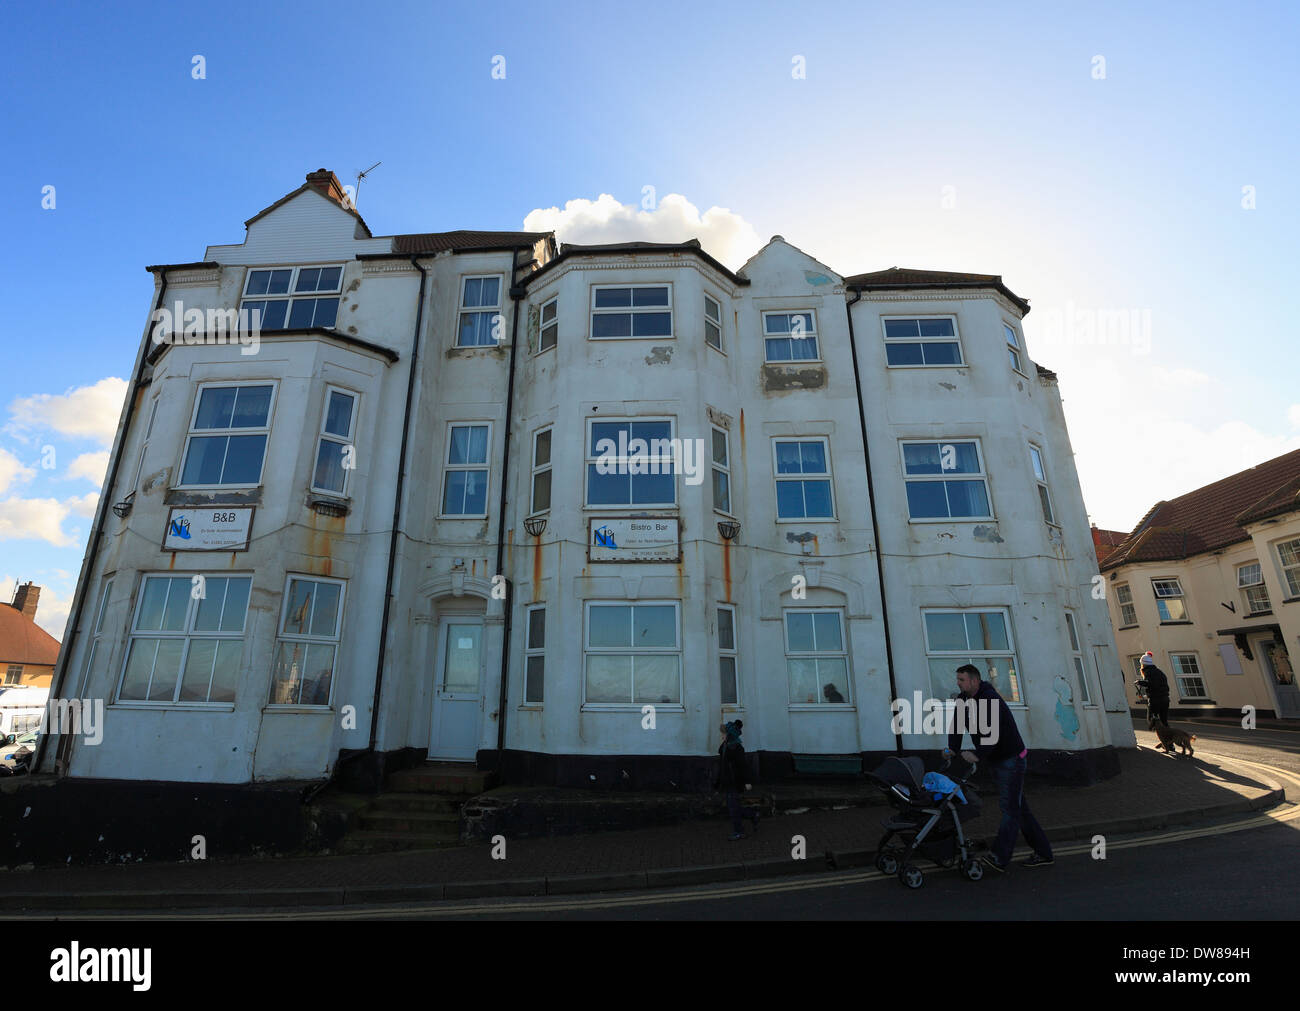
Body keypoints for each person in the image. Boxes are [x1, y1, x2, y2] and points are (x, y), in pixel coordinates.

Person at [944, 663, 1053, 872]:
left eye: (962, 680)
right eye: (957, 679)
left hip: (1012, 759)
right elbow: (956, 726)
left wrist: (977, 754)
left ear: (974, 681)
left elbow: (993, 734)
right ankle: (1044, 852)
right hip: (997, 759)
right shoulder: (962, 699)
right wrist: (952, 749)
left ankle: (999, 857)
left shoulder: (990, 699)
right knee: (1020, 809)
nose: (958, 683)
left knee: (1010, 809)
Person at [716, 720, 758, 840]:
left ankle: (739, 832)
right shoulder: (726, 746)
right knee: (733, 806)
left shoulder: (737, 748)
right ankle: (753, 814)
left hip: (735, 781)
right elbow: (723, 764)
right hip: (728, 781)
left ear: (730, 735)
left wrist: (747, 781)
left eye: (723, 733)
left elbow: (742, 766)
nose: (721, 735)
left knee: (733, 807)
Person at [1136, 652, 1171, 728]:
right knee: (1164, 721)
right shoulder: (1159, 672)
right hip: (1165, 699)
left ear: (1143, 664)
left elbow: (1151, 683)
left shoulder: (1148, 672)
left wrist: (1140, 682)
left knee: (1151, 720)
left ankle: (1161, 735)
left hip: (1155, 700)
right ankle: (1168, 737)